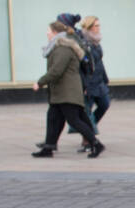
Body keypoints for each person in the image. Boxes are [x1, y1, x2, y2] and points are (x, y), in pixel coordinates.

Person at [32, 21, 104, 158]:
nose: (47, 33)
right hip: (62, 93)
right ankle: (48, 148)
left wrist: (40, 83)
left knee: (74, 120)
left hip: (67, 92)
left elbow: (56, 71)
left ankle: (96, 144)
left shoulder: (62, 48)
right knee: (53, 118)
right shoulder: (59, 47)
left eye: (49, 30)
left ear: (55, 33)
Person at [76, 15, 111, 142]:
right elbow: (82, 66)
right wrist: (84, 85)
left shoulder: (96, 41)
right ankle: (87, 137)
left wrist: (105, 78)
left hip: (99, 81)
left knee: (104, 104)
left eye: (99, 25)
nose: (98, 28)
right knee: (87, 111)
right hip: (89, 81)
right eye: (96, 26)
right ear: (89, 27)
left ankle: (90, 128)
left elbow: (99, 62)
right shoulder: (83, 42)